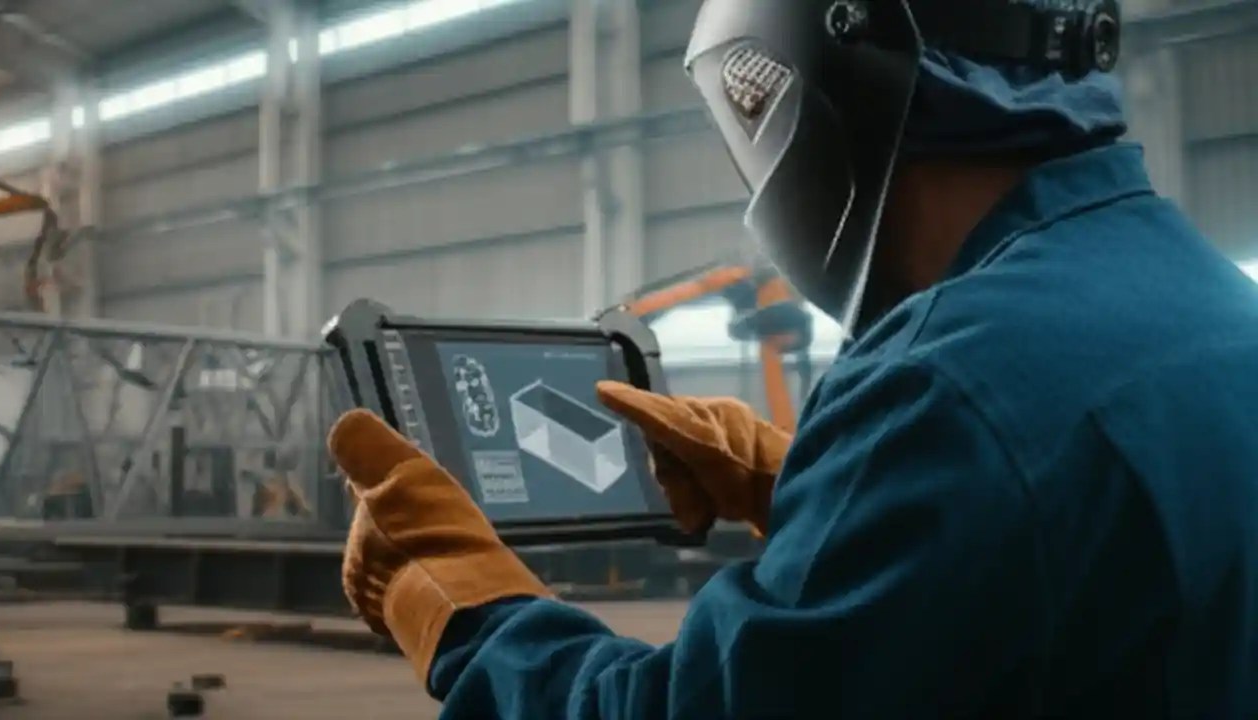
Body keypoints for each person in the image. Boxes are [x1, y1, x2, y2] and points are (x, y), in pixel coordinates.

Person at [332, 0, 1258, 716]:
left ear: (832, 71)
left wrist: (466, 612)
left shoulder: (950, 389)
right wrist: (812, 492)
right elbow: (1068, 566)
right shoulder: (1216, 305)